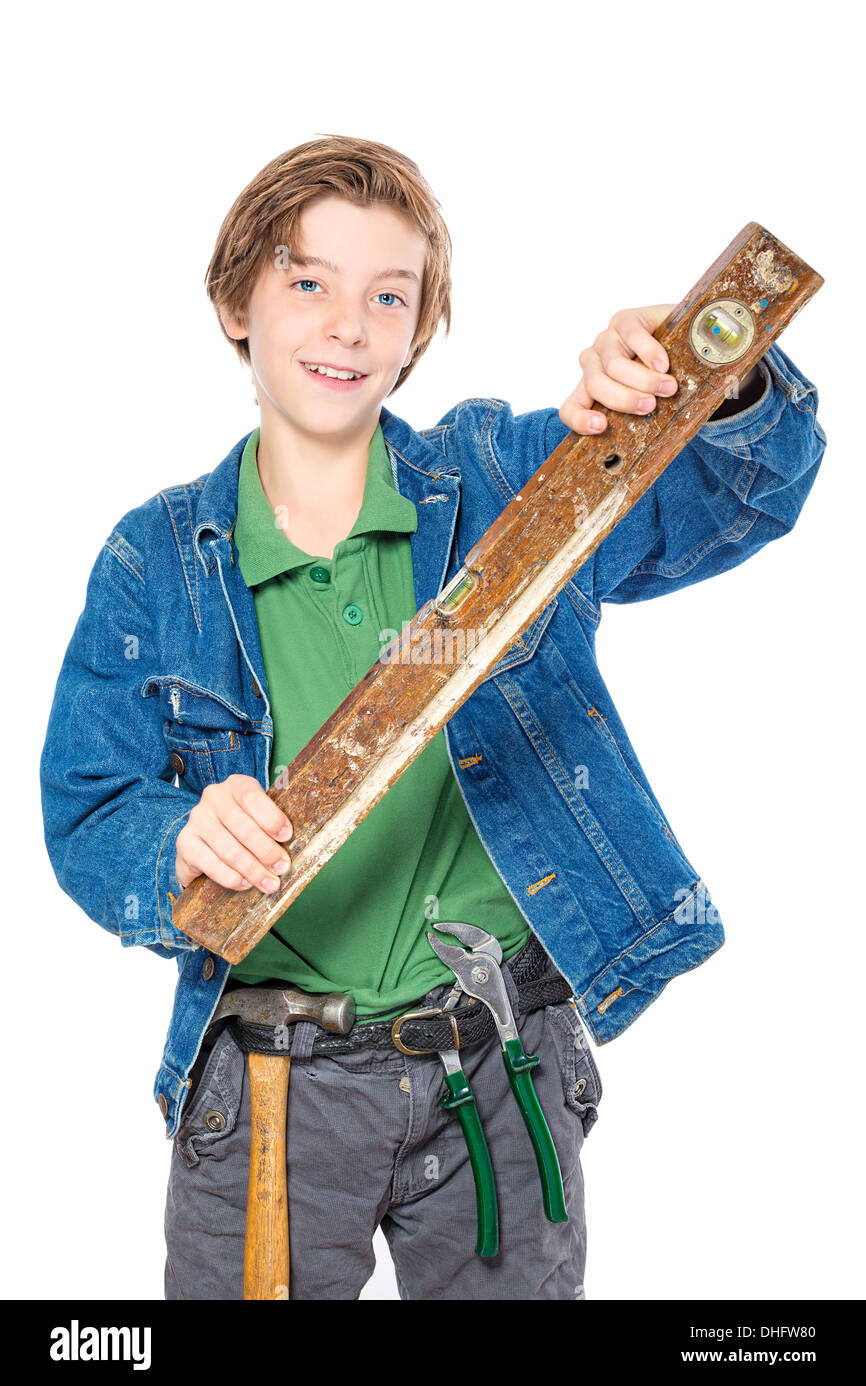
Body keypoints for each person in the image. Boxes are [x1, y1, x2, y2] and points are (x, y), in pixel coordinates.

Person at [39, 134, 826, 1301]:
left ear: (417, 329)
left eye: (386, 294)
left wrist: (707, 380)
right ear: (232, 302)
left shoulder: (506, 483)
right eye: (307, 281)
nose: (346, 324)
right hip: (270, 1087)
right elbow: (92, 808)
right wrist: (177, 845)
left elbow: (733, 500)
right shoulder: (155, 559)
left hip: (499, 1068)